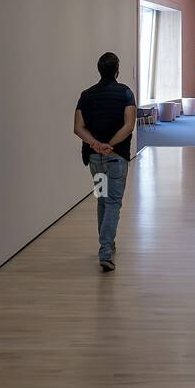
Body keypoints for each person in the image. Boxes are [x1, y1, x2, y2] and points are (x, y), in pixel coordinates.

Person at [74, 52, 136, 272]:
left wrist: (97, 145)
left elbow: (78, 127)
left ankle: (107, 244)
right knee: (113, 202)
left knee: (102, 200)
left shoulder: (86, 95)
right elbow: (129, 125)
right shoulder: (125, 93)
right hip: (116, 158)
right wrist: (110, 145)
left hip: (95, 159)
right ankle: (105, 251)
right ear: (117, 69)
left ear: (99, 70)